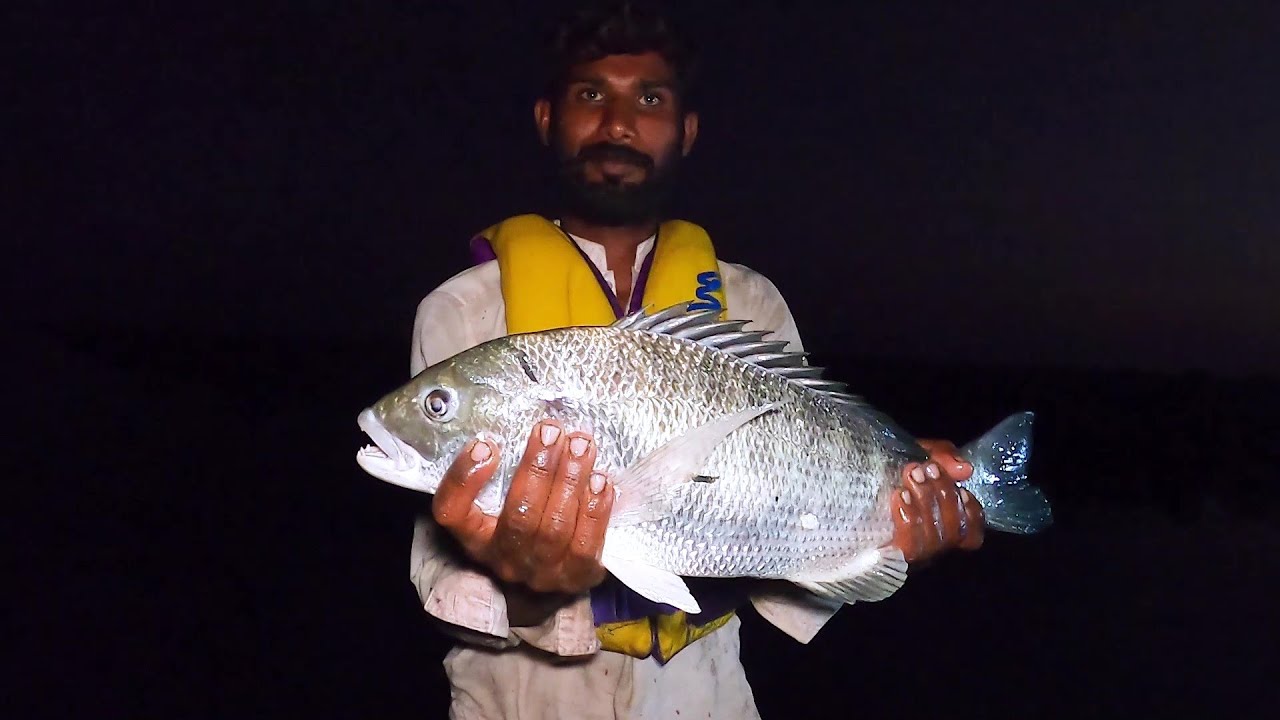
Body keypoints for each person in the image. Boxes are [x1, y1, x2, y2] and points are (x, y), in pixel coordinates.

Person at [406, 2, 985, 717]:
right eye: (591, 94)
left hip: (704, 690)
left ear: (687, 132)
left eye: (649, 99)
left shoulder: (751, 303)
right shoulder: (461, 312)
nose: (617, 123)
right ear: (546, 119)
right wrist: (522, 586)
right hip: (522, 696)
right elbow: (438, 574)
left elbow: (795, 513)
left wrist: (892, 523)